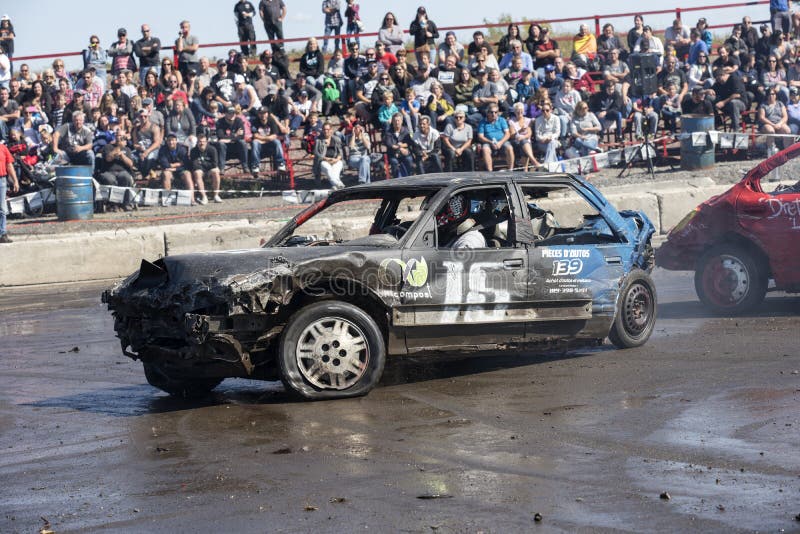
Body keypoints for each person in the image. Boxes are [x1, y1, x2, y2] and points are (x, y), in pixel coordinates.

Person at [250, 106, 287, 176]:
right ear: (258, 114)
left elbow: (274, 136)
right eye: (261, 113)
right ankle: (255, 166)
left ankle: (281, 163)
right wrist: (267, 138)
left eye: (264, 113)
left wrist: (262, 138)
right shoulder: (255, 121)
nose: (263, 115)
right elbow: (255, 136)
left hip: (270, 145)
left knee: (277, 142)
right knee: (254, 143)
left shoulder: (271, 121)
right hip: (260, 145)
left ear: (267, 114)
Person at [477, 104, 513, 171]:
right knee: (485, 149)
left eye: (496, 112)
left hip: (502, 141)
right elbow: (480, 136)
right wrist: (490, 142)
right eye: (491, 112)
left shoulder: (502, 120)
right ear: (487, 113)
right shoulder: (482, 122)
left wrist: (500, 142)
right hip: (488, 142)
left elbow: (507, 134)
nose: (494, 114)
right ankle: (490, 171)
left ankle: (511, 170)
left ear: (498, 113)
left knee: (509, 148)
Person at [190, 132, 222, 203]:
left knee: (216, 171)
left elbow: (214, 164)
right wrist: (205, 165)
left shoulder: (212, 149)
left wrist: (202, 163)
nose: (201, 143)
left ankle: (216, 195)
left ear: (206, 142)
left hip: (210, 170)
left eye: (203, 142)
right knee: (197, 173)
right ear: (197, 142)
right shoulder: (193, 151)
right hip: (200, 171)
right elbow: (195, 165)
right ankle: (204, 196)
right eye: (200, 142)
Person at [215, 105, 249, 171]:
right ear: (225, 114)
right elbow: (220, 136)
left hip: (236, 145)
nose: (232, 115)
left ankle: (245, 166)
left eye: (233, 113)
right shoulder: (219, 122)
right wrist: (235, 135)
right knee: (221, 144)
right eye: (229, 113)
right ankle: (221, 168)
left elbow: (242, 136)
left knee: (242, 142)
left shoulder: (239, 121)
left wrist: (229, 139)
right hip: (225, 146)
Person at [509, 102, 540, 170]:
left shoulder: (528, 120)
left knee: (524, 142)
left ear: (523, 111)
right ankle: (533, 161)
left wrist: (523, 137)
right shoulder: (512, 121)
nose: (520, 113)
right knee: (524, 142)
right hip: (516, 142)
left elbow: (529, 133)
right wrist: (520, 131)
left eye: (521, 111)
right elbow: (512, 135)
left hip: (526, 141)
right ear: (514, 112)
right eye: (518, 111)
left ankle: (525, 169)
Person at [759, 87, 791, 152]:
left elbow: (785, 116)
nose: (771, 96)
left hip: (779, 123)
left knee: (787, 130)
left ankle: (787, 151)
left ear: (775, 95)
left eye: (773, 94)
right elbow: (762, 117)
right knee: (771, 131)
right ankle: (771, 150)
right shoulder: (763, 105)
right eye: (769, 94)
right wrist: (773, 125)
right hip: (767, 124)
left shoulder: (780, 104)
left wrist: (779, 124)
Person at [441, 108, 474, 172]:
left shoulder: (468, 127)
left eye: (460, 117)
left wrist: (461, 149)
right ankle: (449, 173)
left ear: (464, 118)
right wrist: (454, 149)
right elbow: (445, 139)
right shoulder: (449, 126)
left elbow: (469, 141)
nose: (458, 119)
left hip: (463, 148)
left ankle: (470, 172)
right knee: (451, 153)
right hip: (451, 147)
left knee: (469, 152)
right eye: (456, 117)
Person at [314, 122, 344, 188]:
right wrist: (327, 159)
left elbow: (340, 152)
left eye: (327, 129)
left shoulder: (336, 139)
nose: (326, 131)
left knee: (337, 167)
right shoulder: (318, 140)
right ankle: (338, 183)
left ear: (331, 130)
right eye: (324, 129)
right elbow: (316, 153)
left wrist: (336, 159)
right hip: (323, 161)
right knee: (328, 168)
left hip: (335, 160)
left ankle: (335, 185)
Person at [384, 112, 415, 177]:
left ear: (401, 121)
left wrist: (402, 146)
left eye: (398, 120)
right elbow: (389, 144)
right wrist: (400, 147)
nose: (397, 122)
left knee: (409, 159)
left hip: (405, 153)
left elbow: (409, 143)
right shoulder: (388, 132)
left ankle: (410, 177)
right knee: (394, 162)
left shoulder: (406, 130)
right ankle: (396, 179)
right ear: (392, 121)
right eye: (395, 121)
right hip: (393, 154)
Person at [0, 139, 19, 243]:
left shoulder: (3, 148)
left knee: (2, 208)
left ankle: (2, 234)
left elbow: (9, 165)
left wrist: (15, 180)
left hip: (1, 180)